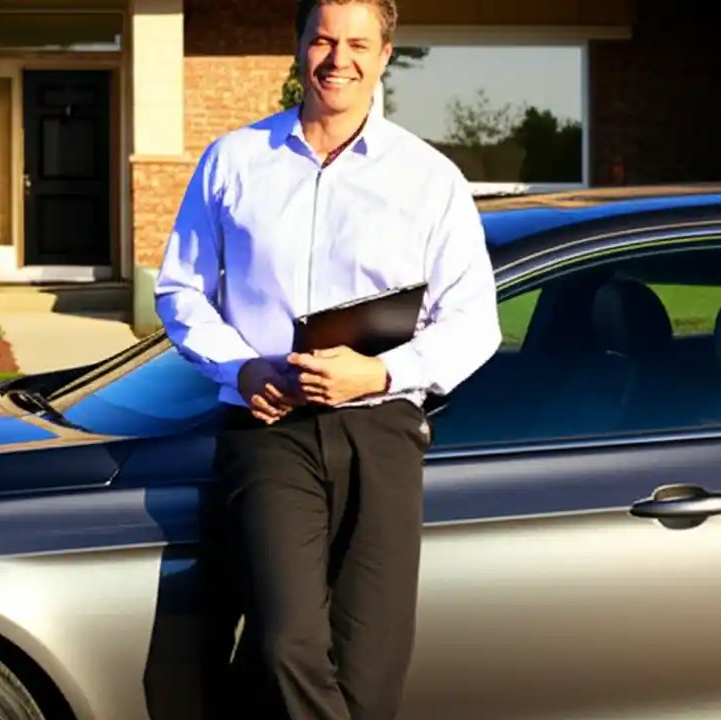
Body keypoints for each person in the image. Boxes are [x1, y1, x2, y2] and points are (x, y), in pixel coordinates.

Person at [153, 0, 502, 718]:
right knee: (286, 646)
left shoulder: (429, 178)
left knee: (371, 674)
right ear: (298, 46)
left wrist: (378, 373)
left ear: (384, 56)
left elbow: (475, 324)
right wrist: (240, 367)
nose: (337, 58)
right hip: (268, 432)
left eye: (357, 44)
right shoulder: (234, 160)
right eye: (322, 39)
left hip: (381, 431)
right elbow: (181, 287)